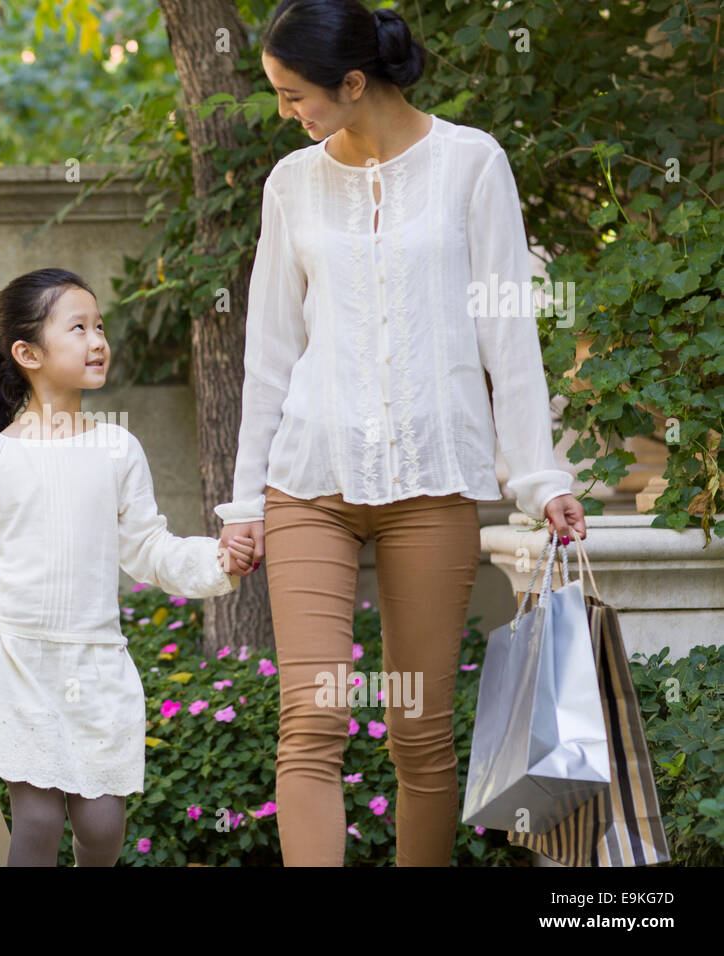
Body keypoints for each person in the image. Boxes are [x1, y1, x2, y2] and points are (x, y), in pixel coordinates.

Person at [216, 0, 589, 867]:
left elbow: (509, 332)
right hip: (310, 479)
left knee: (419, 728)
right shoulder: (291, 183)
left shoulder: (470, 164)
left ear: (354, 83)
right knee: (312, 716)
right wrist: (244, 500)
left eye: (295, 93)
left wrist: (541, 477)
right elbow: (270, 352)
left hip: (436, 484)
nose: (287, 112)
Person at [0, 267, 255, 867]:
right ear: (27, 352)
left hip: (95, 663)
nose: (98, 340)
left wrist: (218, 560)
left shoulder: (117, 449)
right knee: (38, 819)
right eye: (78, 327)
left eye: (99, 325)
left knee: (103, 824)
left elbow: (149, 548)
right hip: (15, 662)